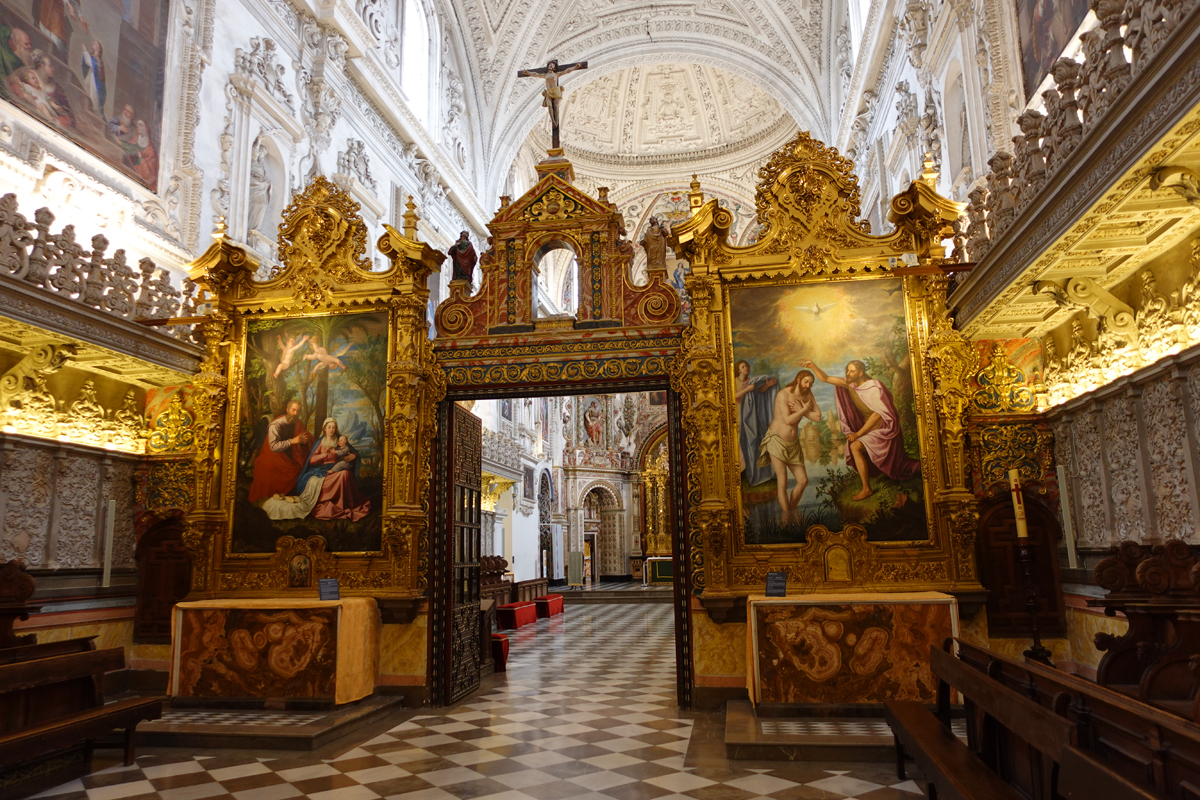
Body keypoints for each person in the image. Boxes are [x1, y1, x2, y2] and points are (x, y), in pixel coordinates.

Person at [801, 359, 920, 501]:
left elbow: (877, 415)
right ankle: (867, 487)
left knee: (855, 446)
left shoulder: (873, 388)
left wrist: (858, 434)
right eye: (847, 370)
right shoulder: (851, 384)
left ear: (861, 373)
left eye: (852, 371)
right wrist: (813, 366)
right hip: (870, 428)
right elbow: (826, 378)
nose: (848, 373)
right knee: (857, 447)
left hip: (884, 427)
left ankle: (866, 489)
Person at [756, 370, 821, 525]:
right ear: (798, 380)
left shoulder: (808, 395)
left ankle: (791, 510)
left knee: (803, 480)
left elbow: (818, 417)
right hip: (776, 440)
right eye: (806, 382)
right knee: (783, 480)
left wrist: (801, 409)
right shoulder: (783, 394)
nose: (808, 385)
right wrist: (805, 410)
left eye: (811, 383)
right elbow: (788, 421)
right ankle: (787, 516)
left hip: (793, 444)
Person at [296, 418, 371, 521]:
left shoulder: (340, 440)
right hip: (321, 471)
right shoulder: (320, 442)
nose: (331, 430)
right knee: (339, 476)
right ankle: (334, 504)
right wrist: (323, 455)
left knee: (345, 474)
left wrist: (353, 456)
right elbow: (311, 460)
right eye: (329, 427)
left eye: (334, 427)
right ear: (325, 429)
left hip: (336, 469)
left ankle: (343, 504)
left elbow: (353, 452)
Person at [247, 399, 312, 504]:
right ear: (287, 410)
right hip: (274, 454)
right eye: (293, 410)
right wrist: (292, 441)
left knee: (300, 465)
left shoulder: (297, 422)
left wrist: (303, 441)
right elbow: (273, 447)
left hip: (291, 454)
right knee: (269, 468)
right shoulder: (276, 425)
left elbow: (301, 437)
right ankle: (266, 498)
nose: (295, 413)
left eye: (298, 411)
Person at [733, 360, 777, 485]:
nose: (746, 368)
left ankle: (753, 471)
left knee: (752, 442)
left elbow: (759, 391)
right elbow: (732, 396)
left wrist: (767, 385)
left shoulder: (751, 381)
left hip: (750, 416)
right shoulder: (733, 382)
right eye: (743, 366)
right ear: (738, 370)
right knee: (741, 444)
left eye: (747, 366)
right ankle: (741, 473)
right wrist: (747, 390)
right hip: (738, 416)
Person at [30, 50, 73, 128]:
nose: (53, 69)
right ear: (42, 67)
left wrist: (59, 111)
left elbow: (68, 114)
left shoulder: (56, 89)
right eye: (50, 66)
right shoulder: (29, 76)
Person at [79, 39, 104, 115]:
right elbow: (87, 62)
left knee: (93, 95)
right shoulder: (92, 56)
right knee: (86, 90)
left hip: (95, 79)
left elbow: (90, 63)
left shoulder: (98, 59)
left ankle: (93, 110)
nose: (94, 44)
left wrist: (85, 51)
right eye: (93, 43)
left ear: (99, 48)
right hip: (90, 76)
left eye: (96, 44)